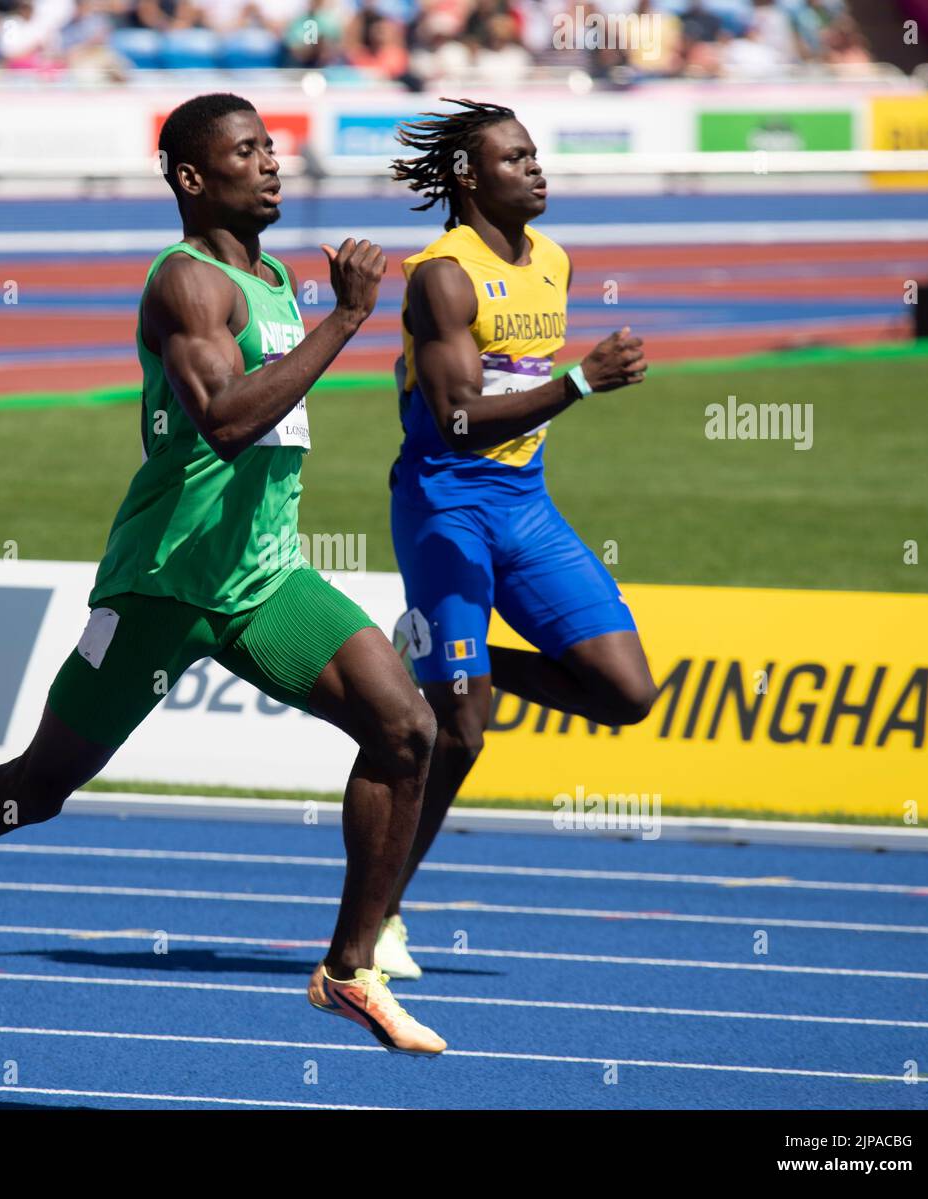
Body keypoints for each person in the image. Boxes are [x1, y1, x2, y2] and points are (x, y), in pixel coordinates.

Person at [0, 92, 447, 1056]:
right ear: (194, 177)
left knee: (405, 727)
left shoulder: (275, 279)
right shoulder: (186, 286)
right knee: (41, 785)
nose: (272, 164)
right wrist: (348, 321)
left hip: (264, 581)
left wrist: (324, 318)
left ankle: (349, 968)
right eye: (248, 151)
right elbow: (228, 421)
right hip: (161, 587)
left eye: (272, 148)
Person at [378, 98, 656, 979]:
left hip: (525, 504)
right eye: (515, 159)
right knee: (458, 731)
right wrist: (581, 380)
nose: (536, 170)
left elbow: (513, 400)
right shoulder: (442, 277)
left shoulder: (555, 261)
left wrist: (567, 385)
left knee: (625, 692)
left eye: (536, 156)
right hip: (445, 505)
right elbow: (458, 421)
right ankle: (380, 915)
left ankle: (451, 658)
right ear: (468, 177)